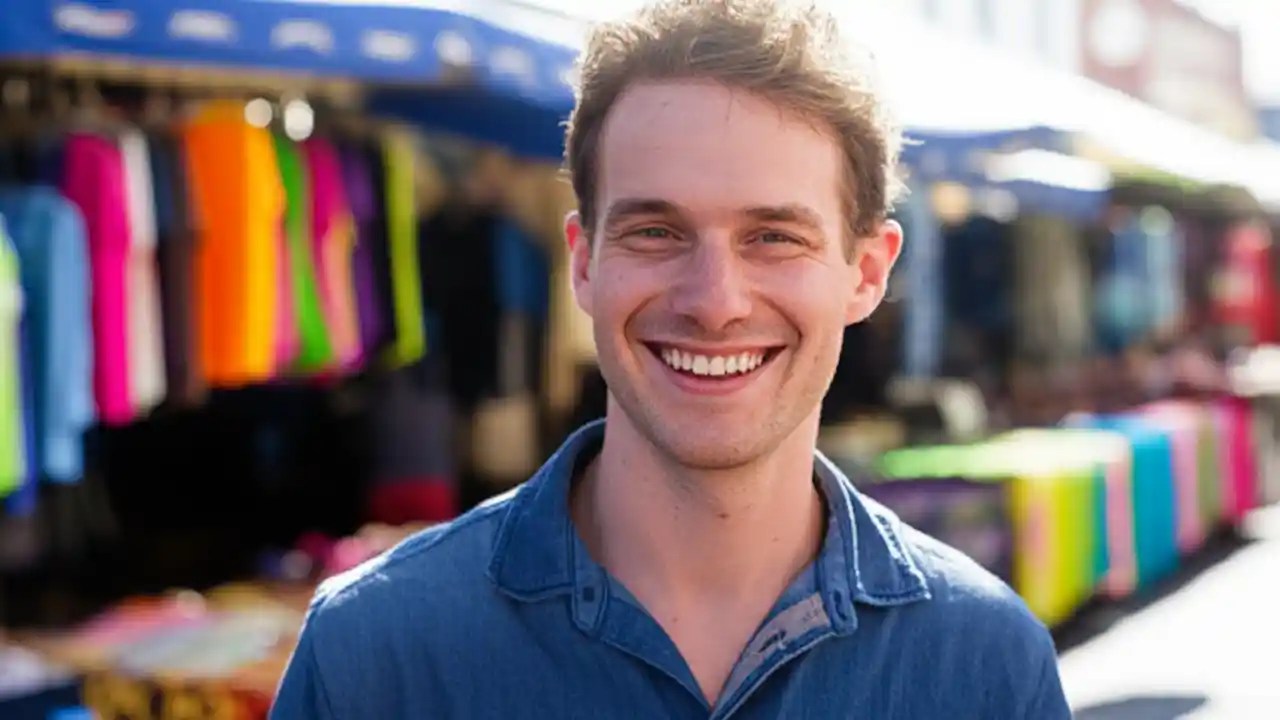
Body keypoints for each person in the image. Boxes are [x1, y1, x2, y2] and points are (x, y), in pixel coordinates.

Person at [270, 1, 1072, 717]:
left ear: (866, 273)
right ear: (583, 263)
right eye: (656, 232)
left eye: (774, 238)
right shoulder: (374, 658)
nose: (714, 300)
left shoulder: (984, 668)